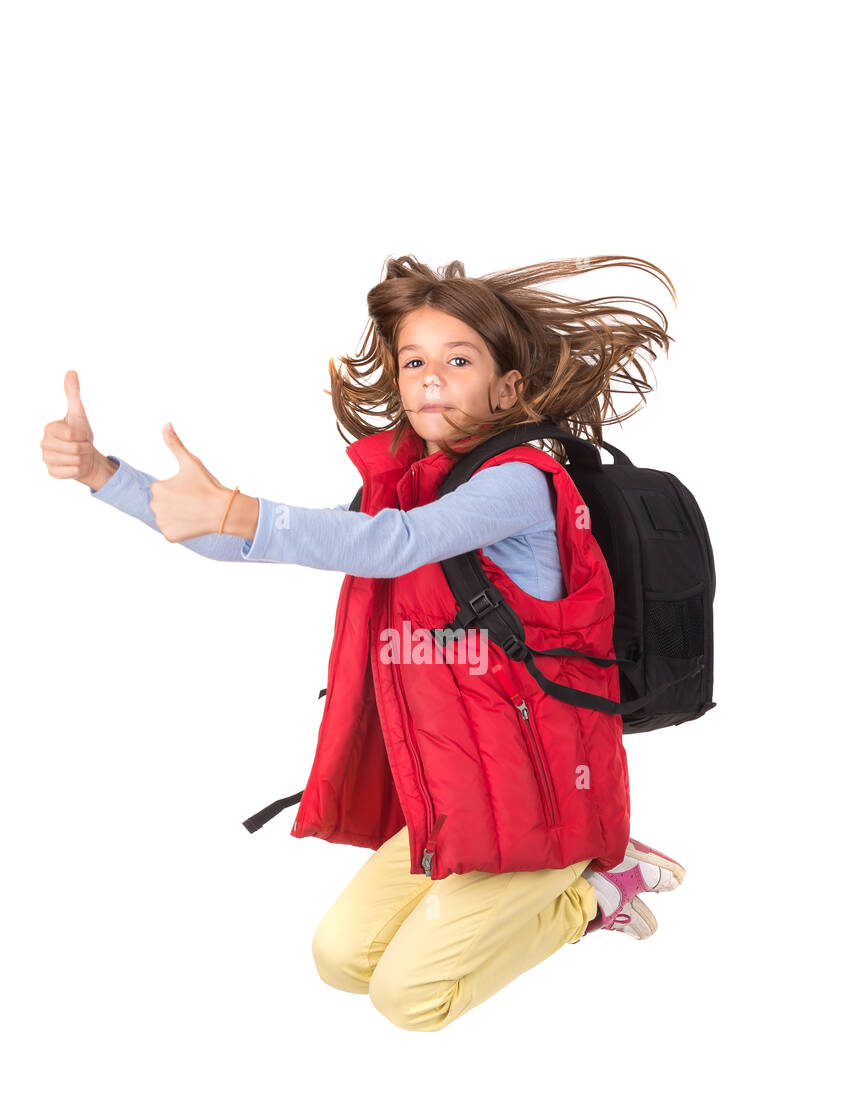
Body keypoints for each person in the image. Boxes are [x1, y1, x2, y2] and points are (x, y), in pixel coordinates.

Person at [41, 253, 687, 1033]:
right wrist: (104, 476)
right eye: (415, 361)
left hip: (544, 789)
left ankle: (597, 886)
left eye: (458, 360)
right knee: (342, 960)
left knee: (409, 999)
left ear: (508, 387)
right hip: (459, 789)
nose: (430, 380)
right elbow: (240, 540)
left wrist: (242, 508)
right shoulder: (413, 482)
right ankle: (565, 881)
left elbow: (394, 544)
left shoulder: (517, 481)